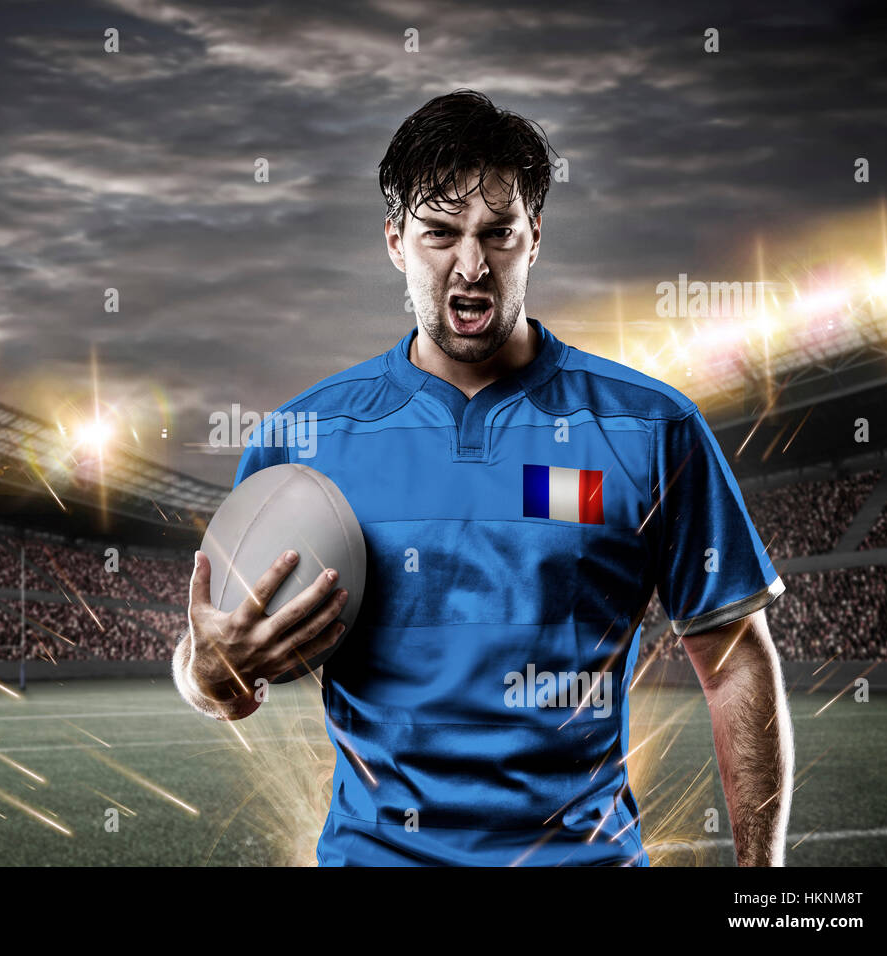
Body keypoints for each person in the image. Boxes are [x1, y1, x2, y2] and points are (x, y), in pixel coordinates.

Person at [173, 90, 792, 867]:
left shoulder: (652, 430)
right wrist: (205, 673)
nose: (472, 264)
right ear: (396, 241)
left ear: (535, 240)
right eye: (440, 233)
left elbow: (736, 660)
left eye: (498, 232)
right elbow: (218, 675)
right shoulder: (301, 443)